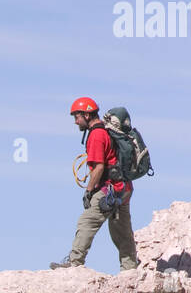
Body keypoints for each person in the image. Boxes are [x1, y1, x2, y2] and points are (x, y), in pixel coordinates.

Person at [50, 97, 139, 271]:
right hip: (124, 188)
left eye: (77, 116)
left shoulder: (97, 135)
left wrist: (89, 191)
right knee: (122, 232)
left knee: (86, 222)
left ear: (87, 114)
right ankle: (130, 269)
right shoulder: (104, 131)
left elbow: (98, 168)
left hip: (110, 189)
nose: (76, 121)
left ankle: (75, 262)